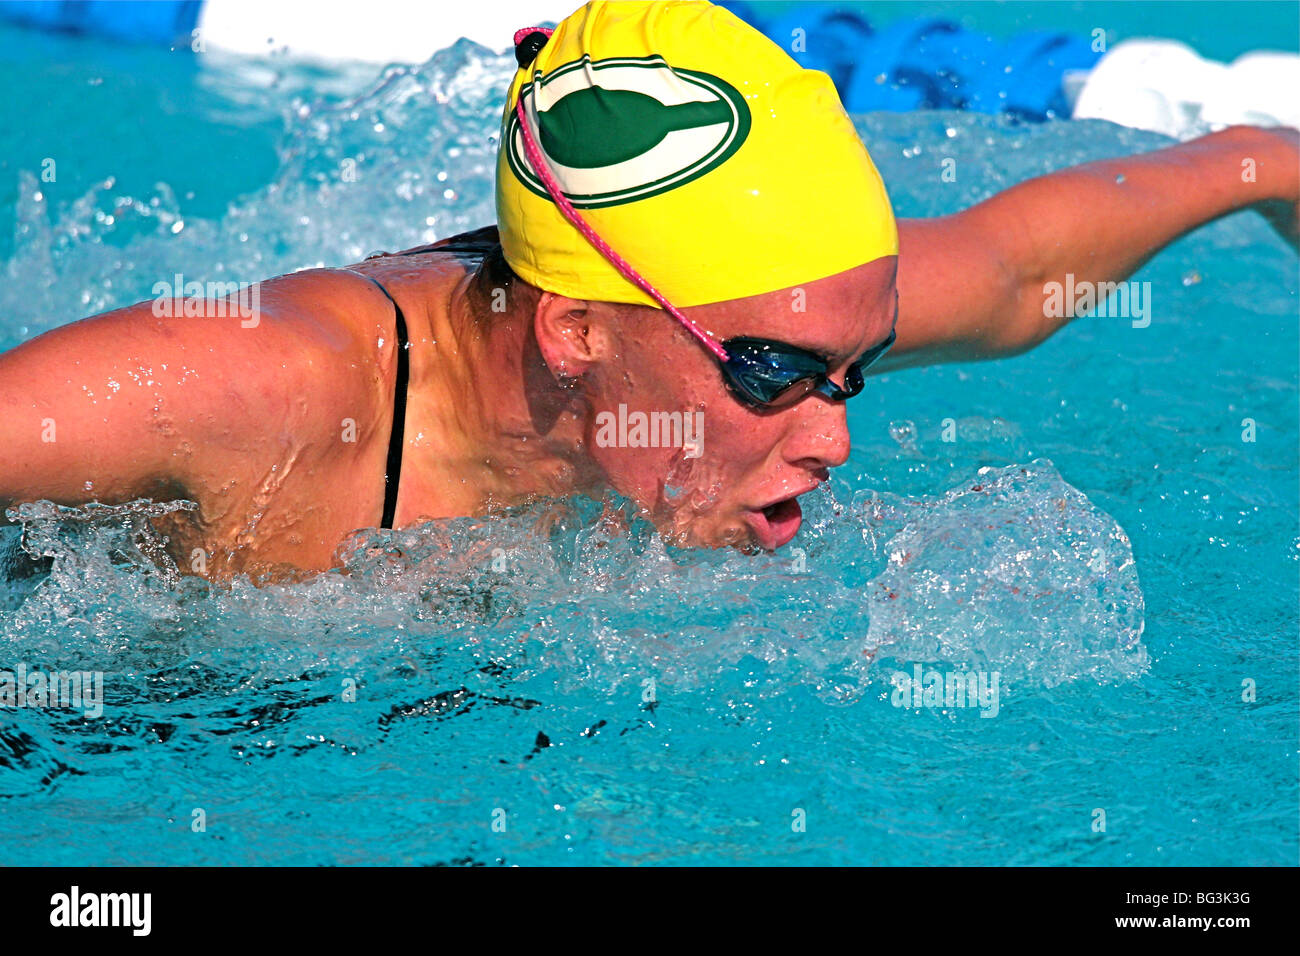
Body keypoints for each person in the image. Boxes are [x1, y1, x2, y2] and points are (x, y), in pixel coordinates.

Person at [0, 0, 1296, 579]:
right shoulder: (253, 388)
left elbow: (1014, 272)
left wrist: (1266, 161)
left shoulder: (767, 323)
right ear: (573, 330)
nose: (836, 431)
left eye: (859, 367)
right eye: (778, 377)